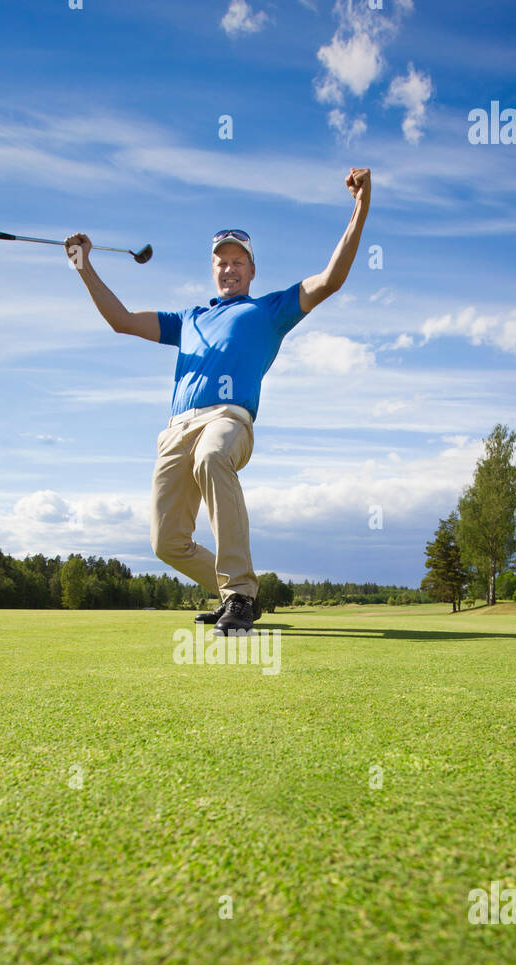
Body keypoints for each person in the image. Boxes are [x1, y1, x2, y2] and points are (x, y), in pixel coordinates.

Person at [65, 167, 371, 634]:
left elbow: (330, 279)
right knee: (167, 542)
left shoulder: (269, 309)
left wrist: (360, 207)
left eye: (238, 262)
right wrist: (85, 266)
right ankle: (236, 594)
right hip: (176, 428)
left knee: (212, 456)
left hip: (229, 420)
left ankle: (242, 597)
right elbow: (122, 320)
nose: (229, 268)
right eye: (221, 262)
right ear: (213, 269)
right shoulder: (188, 318)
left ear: (252, 270)